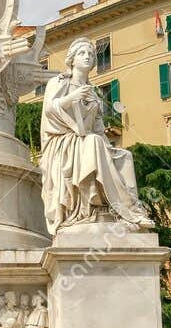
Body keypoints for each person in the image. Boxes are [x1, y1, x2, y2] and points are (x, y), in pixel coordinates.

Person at [39, 37, 153, 234]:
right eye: (82, 53)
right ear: (72, 60)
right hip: (62, 142)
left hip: (88, 140)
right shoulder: (58, 83)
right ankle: (121, 210)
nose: (88, 57)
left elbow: (98, 128)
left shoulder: (93, 93)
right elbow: (49, 109)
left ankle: (131, 209)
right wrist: (71, 98)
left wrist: (109, 149)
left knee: (124, 155)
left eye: (91, 54)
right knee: (93, 142)